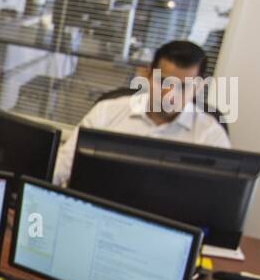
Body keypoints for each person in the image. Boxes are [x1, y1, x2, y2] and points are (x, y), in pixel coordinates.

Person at [52, 39, 231, 185]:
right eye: (162, 82)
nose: (169, 95)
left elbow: (220, 201)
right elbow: (60, 168)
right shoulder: (106, 111)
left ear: (199, 87)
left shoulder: (210, 136)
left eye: (183, 87)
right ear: (146, 75)